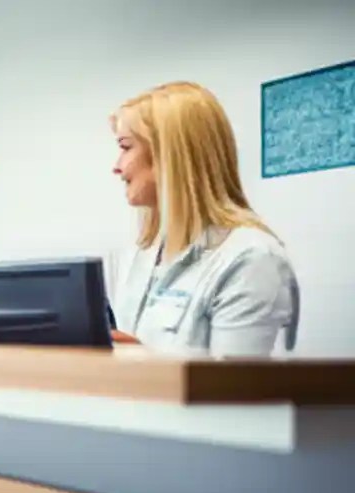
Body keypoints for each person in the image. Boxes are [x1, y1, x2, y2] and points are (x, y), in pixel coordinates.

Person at [107, 81, 299, 355]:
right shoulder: (141, 254)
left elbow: (235, 389)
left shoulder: (251, 259)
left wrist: (139, 359)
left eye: (126, 147)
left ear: (169, 156)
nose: (117, 167)